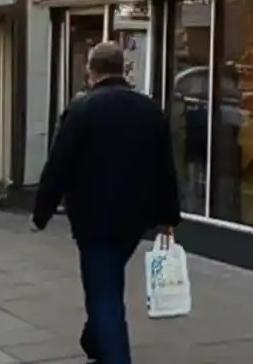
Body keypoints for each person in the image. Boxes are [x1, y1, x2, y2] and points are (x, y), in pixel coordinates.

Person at [33, 42, 182, 364]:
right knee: (107, 281)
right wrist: (168, 216)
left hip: (93, 218)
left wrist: (41, 212)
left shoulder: (82, 109)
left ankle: (112, 354)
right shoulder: (149, 109)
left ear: (91, 71)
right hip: (135, 218)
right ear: (123, 69)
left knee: (104, 293)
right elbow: (164, 166)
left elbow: (59, 163)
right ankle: (94, 340)